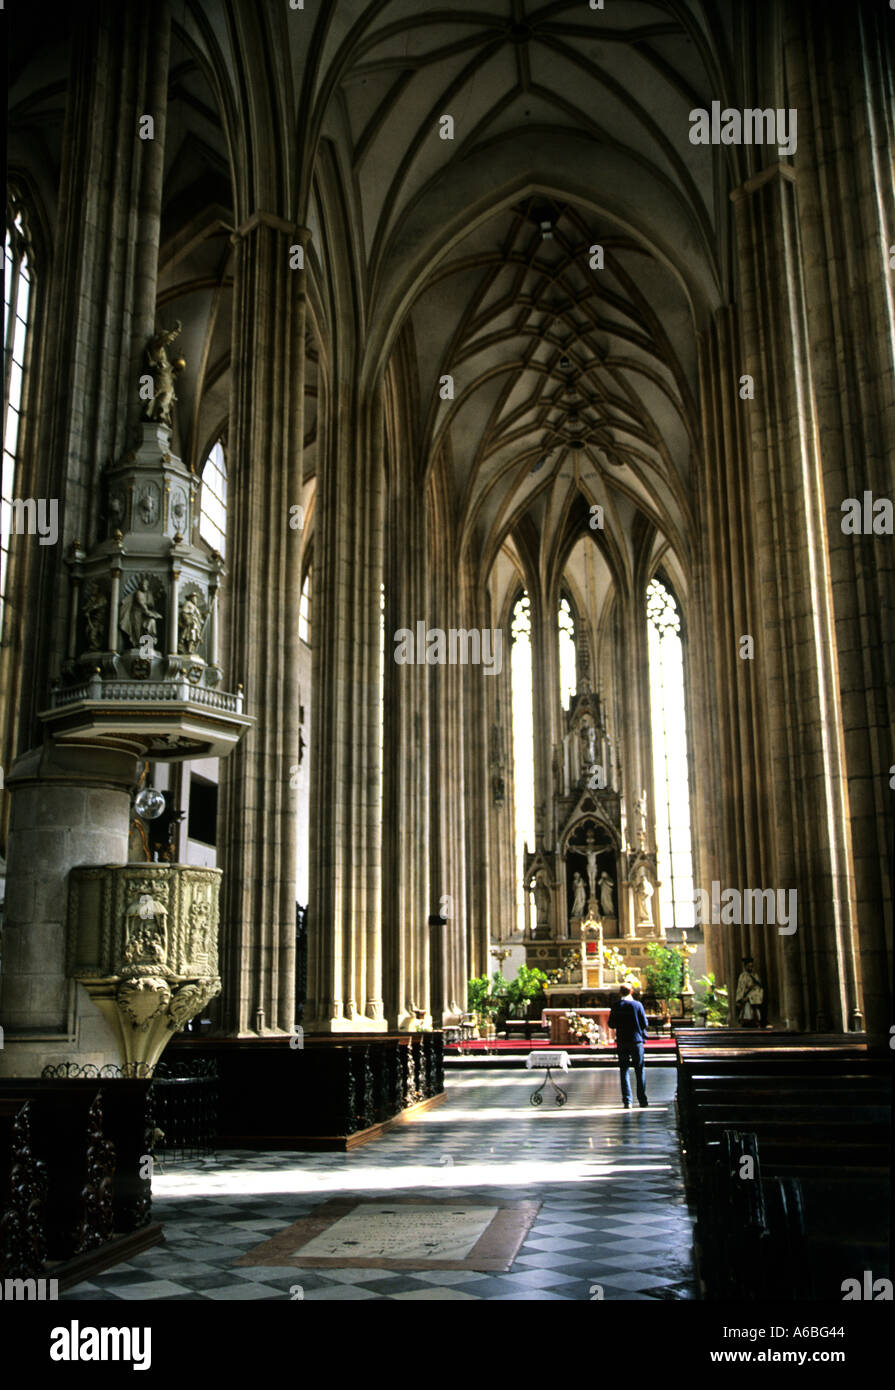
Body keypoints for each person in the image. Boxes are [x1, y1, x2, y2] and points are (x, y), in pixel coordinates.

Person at [607, 982, 649, 1108]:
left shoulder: (616, 1005)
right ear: (631, 992)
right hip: (636, 1041)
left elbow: (611, 1024)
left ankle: (627, 1101)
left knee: (624, 1070)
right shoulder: (637, 1005)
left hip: (622, 1041)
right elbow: (644, 1023)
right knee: (639, 1070)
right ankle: (642, 1100)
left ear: (620, 993)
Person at [735, 957, 765, 1026]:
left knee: (755, 1017)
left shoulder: (755, 976)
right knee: (746, 1016)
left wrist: (750, 997)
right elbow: (740, 988)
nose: (750, 968)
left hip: (753, 999)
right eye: (748, 966)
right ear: (745, 967)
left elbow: (759, 988)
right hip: (745, 1001)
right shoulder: (742, 976)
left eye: (751, 966)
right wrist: (739, 999)